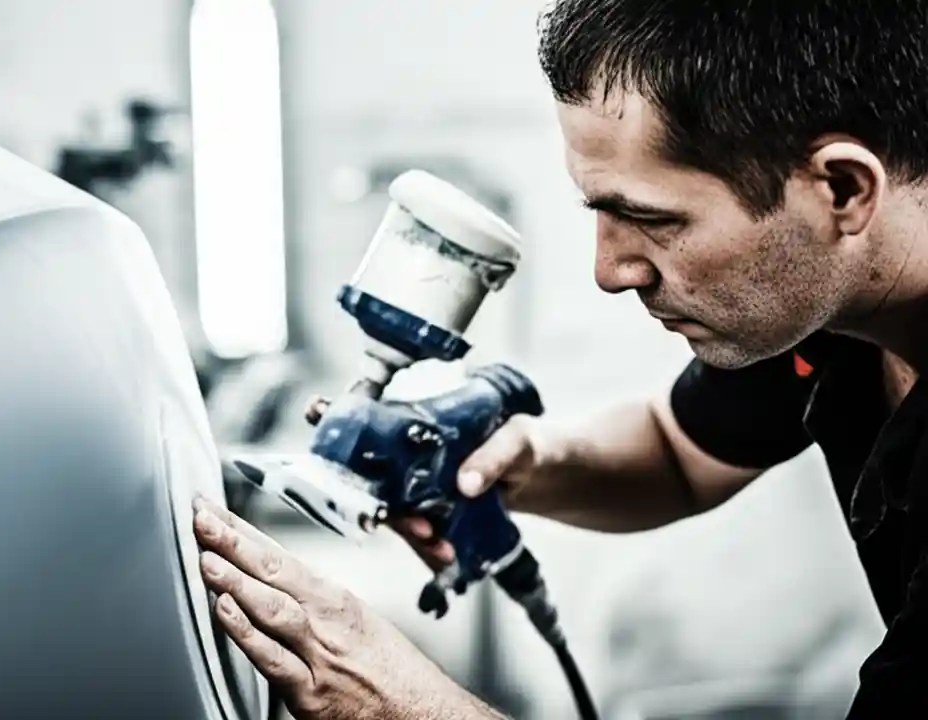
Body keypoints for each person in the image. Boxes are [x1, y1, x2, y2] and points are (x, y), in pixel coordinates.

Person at [193, 1, 928, 718]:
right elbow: (679, 452)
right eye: (600, 212)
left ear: (842, 188)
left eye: (650, 219)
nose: (610, 271)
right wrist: (517, 463)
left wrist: (388, 701)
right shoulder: (827, 309)